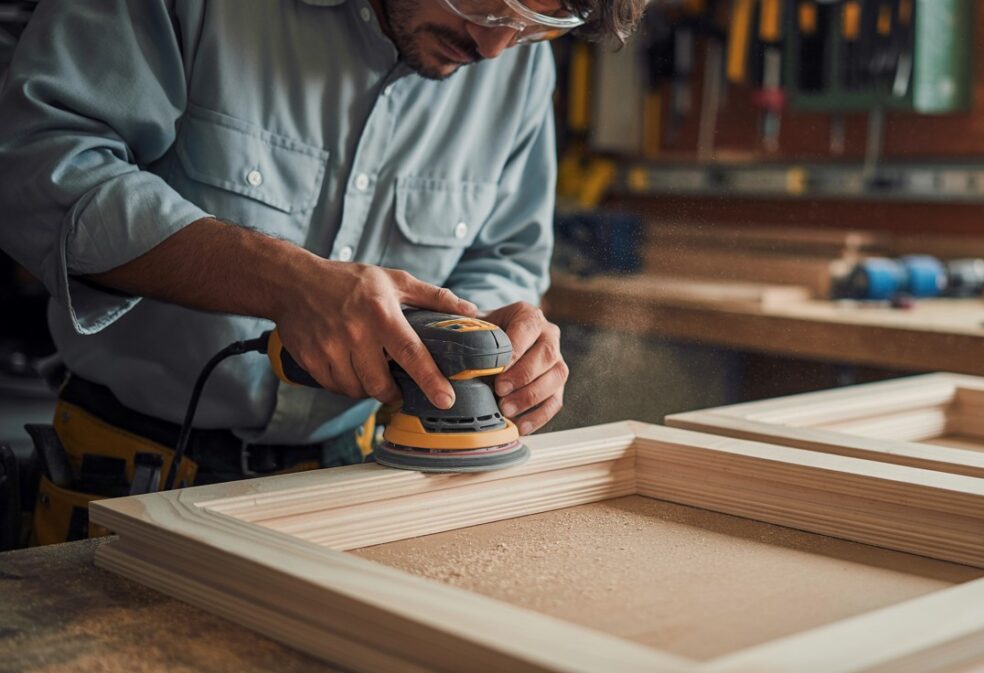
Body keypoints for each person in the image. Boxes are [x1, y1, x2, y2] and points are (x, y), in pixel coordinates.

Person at [0, 0, 644, 538]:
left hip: (351, 482)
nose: (494, 46)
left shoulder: (517, 71)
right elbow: (39, 167)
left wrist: (490, 334)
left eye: (535, 25)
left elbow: (503, 257)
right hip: (126, 478)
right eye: (486, 3)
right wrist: (284, 282)